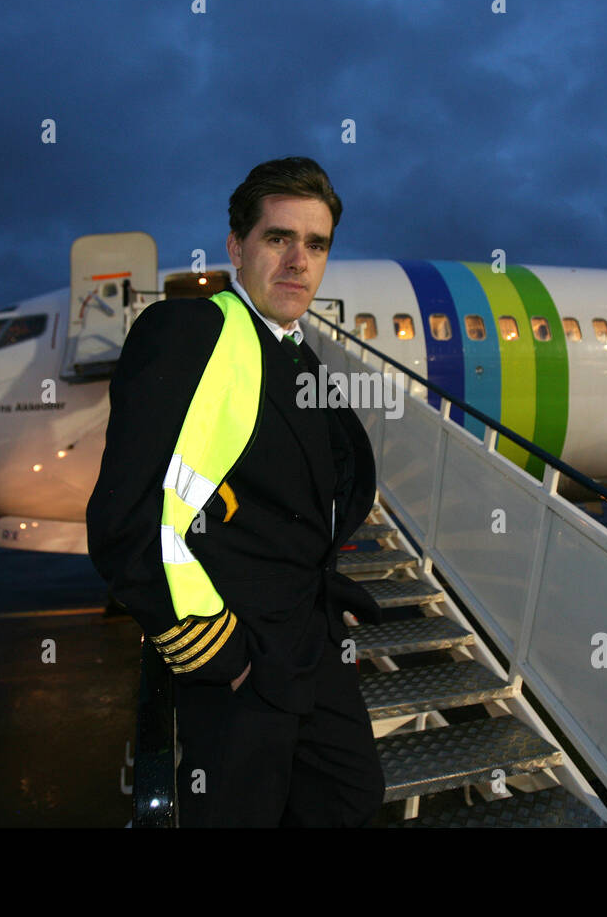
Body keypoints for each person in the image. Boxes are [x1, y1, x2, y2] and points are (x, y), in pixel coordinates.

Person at [86, 156, 385, 827]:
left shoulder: (298, 353)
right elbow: (122, 520)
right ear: (237, 248)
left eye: (315, 244)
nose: (297, 261)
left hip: (313, 644)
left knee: (352, 803)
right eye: (278, 238)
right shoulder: (189, 335)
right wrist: (213, 650)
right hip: (238, 658)